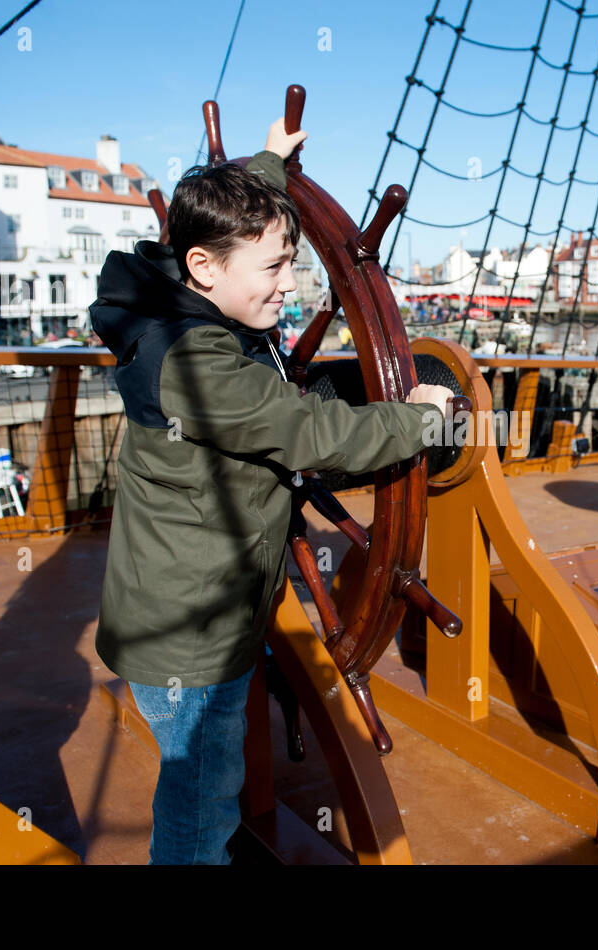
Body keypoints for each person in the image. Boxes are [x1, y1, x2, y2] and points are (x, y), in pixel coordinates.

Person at [89, 115, 453, 865]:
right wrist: (414, 421)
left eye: (293, 263)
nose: (290, 285)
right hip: (187, 642)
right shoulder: (198, 367)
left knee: (208, 781)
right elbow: (310, 434)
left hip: (187, 617)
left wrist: (268, 166)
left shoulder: (178, 293)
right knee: (200, 804)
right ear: (206, 268)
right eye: (274, 268)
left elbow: (220, 224)